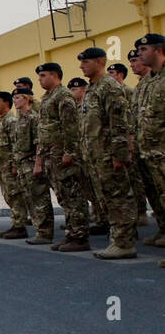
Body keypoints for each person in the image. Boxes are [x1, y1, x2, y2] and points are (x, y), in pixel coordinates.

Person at [77, 47, 137, 259]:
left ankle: (124, 242)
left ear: (100, 61)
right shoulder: (93, 88)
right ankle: (119, 239)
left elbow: (118, 123)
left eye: (86, 61)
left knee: (118, 198)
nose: (81, 65)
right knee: (108, 199)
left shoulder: (108, 86)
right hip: (96, 156)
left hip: (108, 155)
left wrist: (119, 155)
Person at [35, 62, 89, 252]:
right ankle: (71, 234)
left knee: (73, 195)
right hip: (52, 155)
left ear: (55, 75)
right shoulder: (48, 97)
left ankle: (80, 237)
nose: (40, 80)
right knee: (64, 196)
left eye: (43, 75)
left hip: (63, 155)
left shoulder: (63, 96)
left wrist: (69, 152)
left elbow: (71, 127)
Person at [132, 33, 165, 264]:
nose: (139, 54)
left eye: (143, 50)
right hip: (152, 153)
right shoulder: (148, 82)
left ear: (158, 50)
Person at [112, 57, 151, 227]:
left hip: (141, 139)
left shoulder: (128, 91)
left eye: (112, 73)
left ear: (120, 75)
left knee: (139, 178)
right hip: (130, 139)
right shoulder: (136, 88)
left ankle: (142, 211)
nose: (133, 64)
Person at [12, 88, 54, 245]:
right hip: (23, 164)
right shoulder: (20, 119)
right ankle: (39, 230)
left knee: (40, 198)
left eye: (17, 97)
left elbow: (39, 143)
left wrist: (38, 164)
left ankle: (45, 232)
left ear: (27, 99)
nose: (15, 101)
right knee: (31, 198)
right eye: (14, 98)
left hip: (31, 163)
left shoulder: (33, 118)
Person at [68, 77, 108, 232]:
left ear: (83, 89)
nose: (72, 92)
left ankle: (105, 220)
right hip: (83, 154)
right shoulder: (76, 108)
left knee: (101, 188)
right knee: (90, 188)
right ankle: (99, 217)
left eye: (75, 89)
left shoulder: (89, 106)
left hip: (96, 152)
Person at [0, 91, 31, 238]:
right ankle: (16, 223)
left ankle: (20, 226)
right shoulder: (1, 121)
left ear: (6, 103)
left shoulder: (10, 121)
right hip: (1, 167)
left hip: (9, 166)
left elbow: (16, 144)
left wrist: (15, 165)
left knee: (15, 195)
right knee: (9, 195)